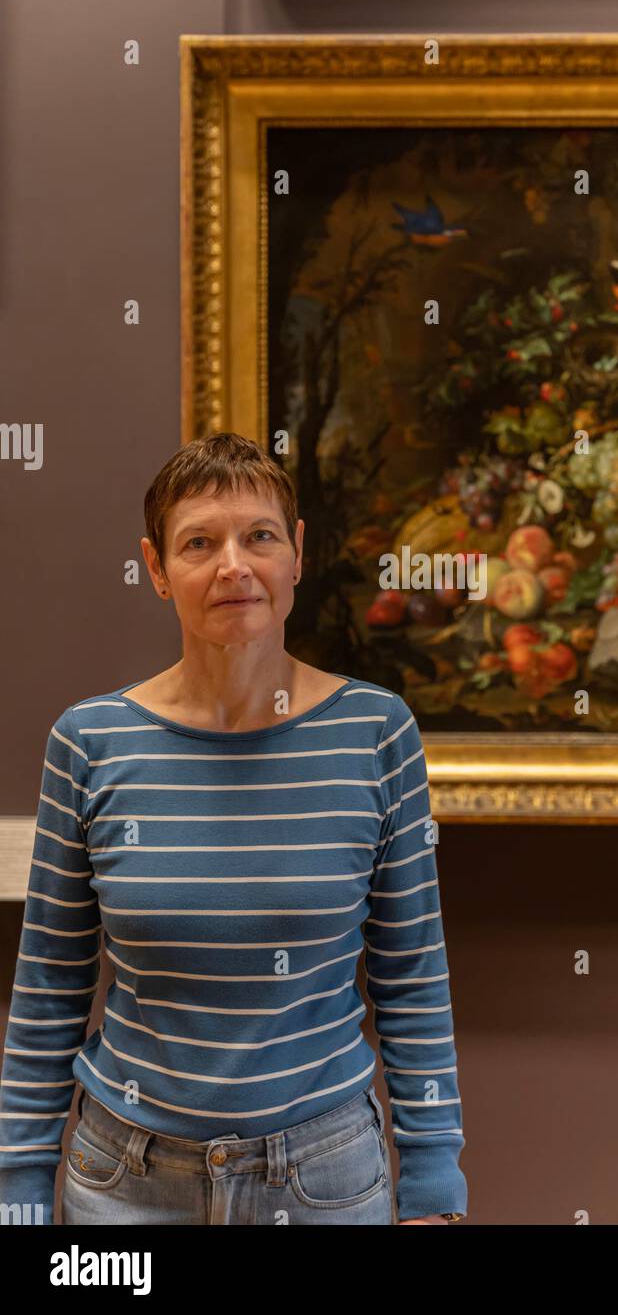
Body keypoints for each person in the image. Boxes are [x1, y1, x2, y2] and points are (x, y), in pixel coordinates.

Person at [0, 432, 467, 1226]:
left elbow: (412, 978)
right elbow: (50, 985)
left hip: (326, 1182)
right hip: (126, 1185)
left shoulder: (377, 732)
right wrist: (16, 1192)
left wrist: (433, 1184)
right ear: (155, 569)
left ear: (296, 556)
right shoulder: (89, 742)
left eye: (259, 536)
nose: (233, 566)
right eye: (198, 543)